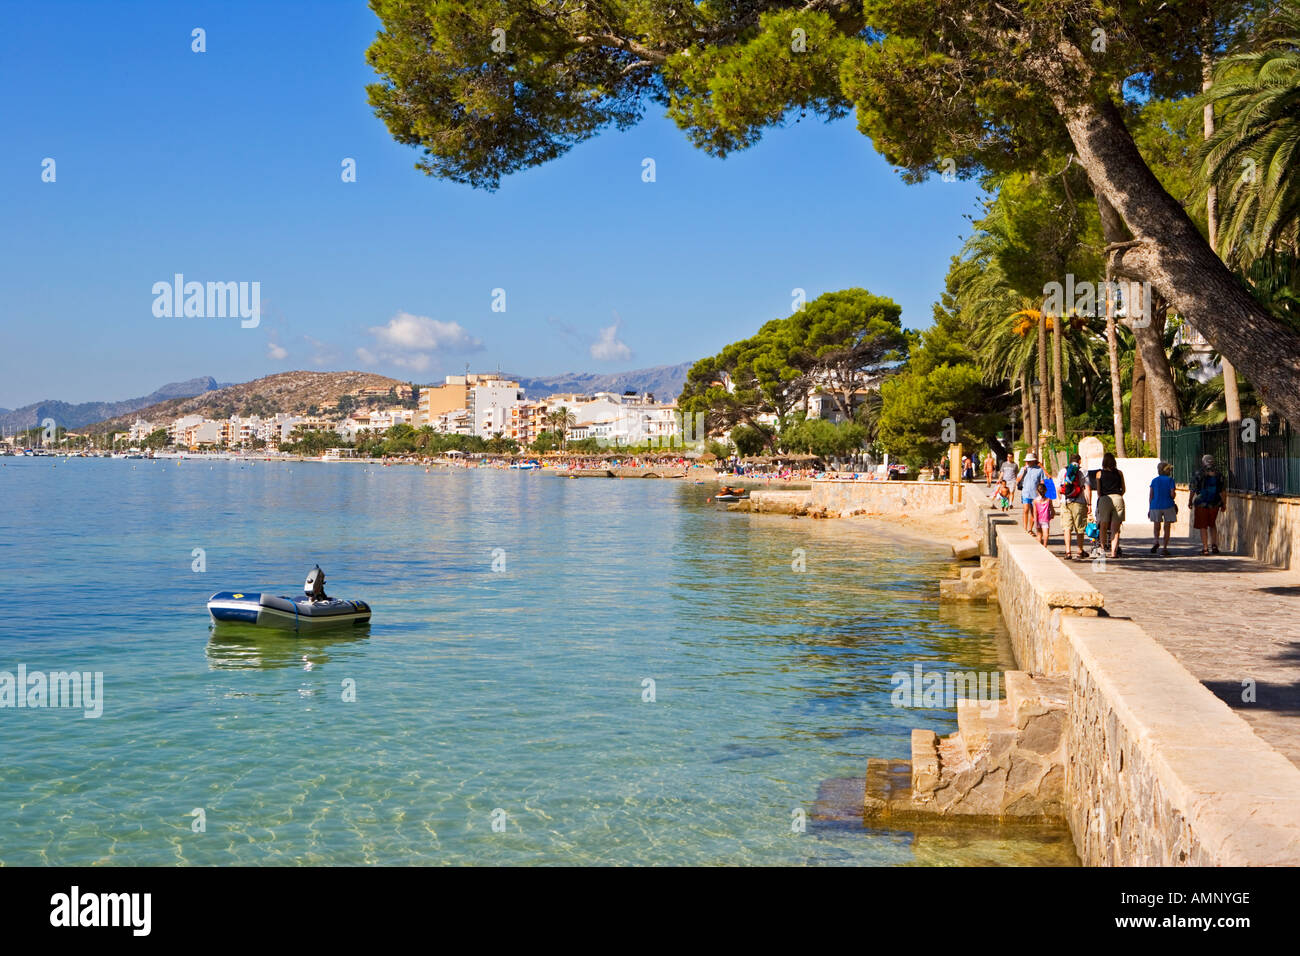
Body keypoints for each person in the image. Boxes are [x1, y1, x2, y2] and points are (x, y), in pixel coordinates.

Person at [1092, 452, 1127, 558]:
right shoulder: (1119, 473)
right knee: (1115, 529)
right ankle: (1113, 552)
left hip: (1104, 499)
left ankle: (1102, 550)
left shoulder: (1099, 474)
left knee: (1103, 526)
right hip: (1118, 498)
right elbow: (1124, 489)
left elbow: (1098, 492)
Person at [1190, 454, 1225, 555]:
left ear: (1203, 462)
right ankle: (1214, 545)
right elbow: (1222, 491)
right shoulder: (1219, 474)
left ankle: (1205, 548)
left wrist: (1190, 501)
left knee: (1203, 526)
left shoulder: (1198, 473)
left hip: (1201, 503)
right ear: (1212, 461)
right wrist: (1224, 503)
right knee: (1212, 524)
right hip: (1215, 503)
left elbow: (1193, 489)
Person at [1057, 452, 1090, 560]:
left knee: (1067, 527)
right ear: (1079, 461)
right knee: (1079, 528)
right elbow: (1087, 489)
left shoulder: (1063, 471)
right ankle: (1080, 551)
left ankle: (1068, 552)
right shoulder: (1083, 472)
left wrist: (1060, 500)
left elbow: (1059, 488)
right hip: (1079, 502)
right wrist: (1089, 504)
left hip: (1065, 502)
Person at [1148, 461, 1177, 556]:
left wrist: (1149, 508)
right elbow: (1172, 495)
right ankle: (1164, 547)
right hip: (1168, 505)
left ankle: (1156, 540)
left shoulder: (1154, 480)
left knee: (1156, 526)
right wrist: (1173, 495)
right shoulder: (1170, 480)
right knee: (1167, 527)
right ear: (1167, 470)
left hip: (1155, 505)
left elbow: (1151, 495)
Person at [1017, 452, 1045, 534]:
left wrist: (1042, 492)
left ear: (1033, 461)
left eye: (1030, 461)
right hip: (1025, 492)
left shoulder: (1039, 470)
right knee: (1025, 509)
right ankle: (1025, 528)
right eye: (1027, 461)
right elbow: (1017, 480)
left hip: (1035, 494)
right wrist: (1023, 472)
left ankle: (1030, 529)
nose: (1028, 462)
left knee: (1033, 512)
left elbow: (1042, 481)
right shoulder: (1023, 469)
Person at [1033, 480, 1055, 547]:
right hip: (1046, 519)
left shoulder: (1035, 501)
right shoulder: (1048, 500)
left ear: (1037, 491)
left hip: (1038, 520)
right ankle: (1045, 545)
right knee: (1046, 534)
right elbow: (1052, 510)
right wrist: (1052, 515)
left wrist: (1035, 519)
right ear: (1045, 490)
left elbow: (1035, 511)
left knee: (1039, 534)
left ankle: (1039, 546)